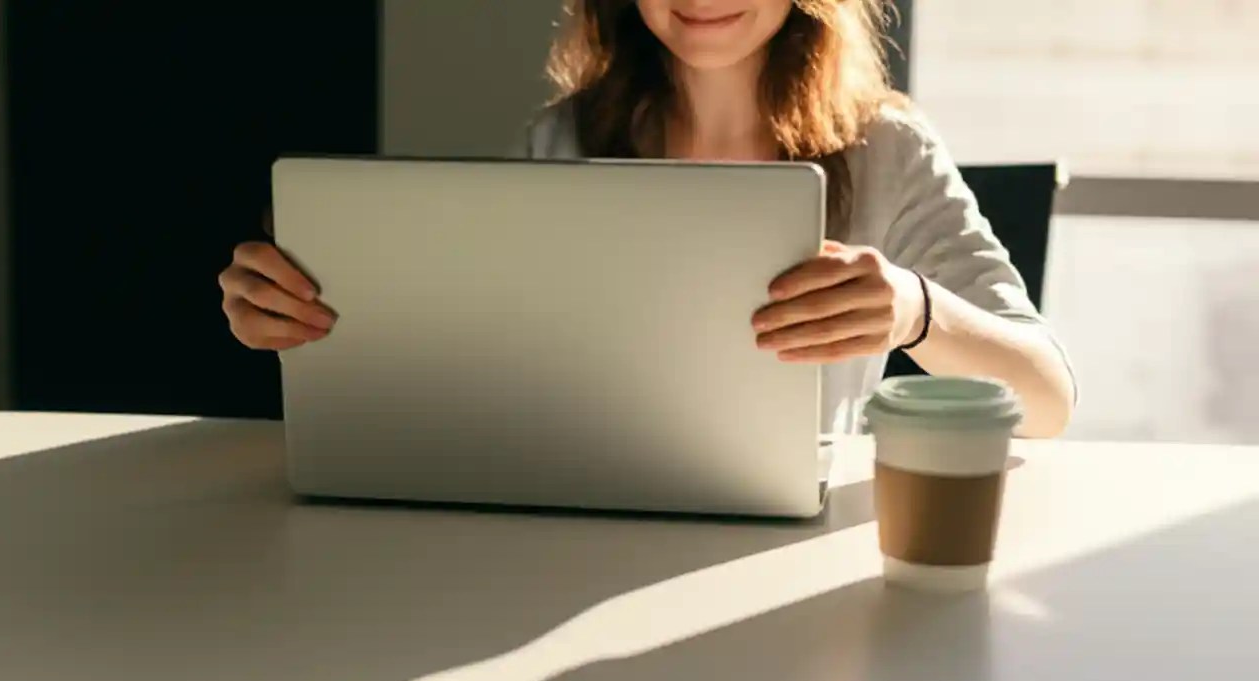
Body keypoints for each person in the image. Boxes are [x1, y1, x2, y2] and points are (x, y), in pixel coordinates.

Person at [219, 0, 1076, 438]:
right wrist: (304, 313)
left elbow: (1047, 401)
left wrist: (913, 309)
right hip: (594, 541)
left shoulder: (886, 148)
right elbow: (480, 364)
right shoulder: (563, 139)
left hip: (795, 571)